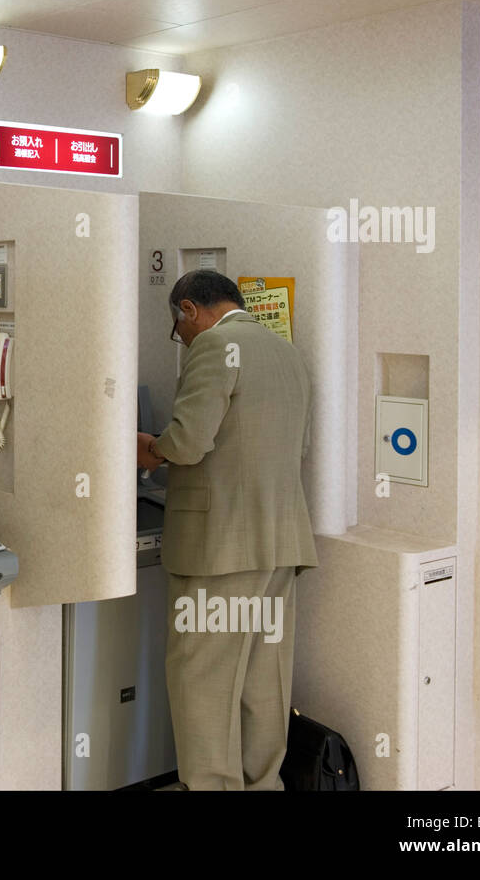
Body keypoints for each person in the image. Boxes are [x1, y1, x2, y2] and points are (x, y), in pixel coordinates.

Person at [137, 269, 316, 790]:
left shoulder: (215, 346)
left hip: (221, 547)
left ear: (189, 309)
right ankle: (262, 785)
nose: (182, 339)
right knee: (265, 678)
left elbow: (189, 443)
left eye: (179, 327)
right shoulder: (287, 353)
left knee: (203, 682)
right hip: (280, 541)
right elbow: (291, 448)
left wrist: (149, 447)